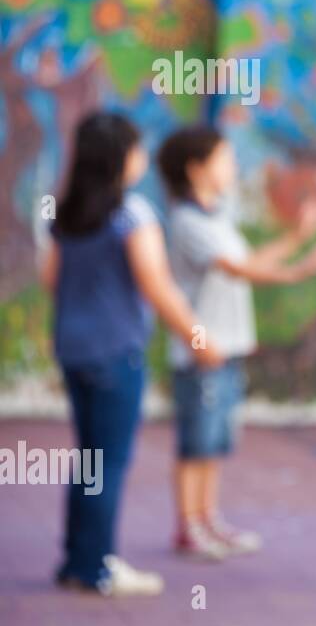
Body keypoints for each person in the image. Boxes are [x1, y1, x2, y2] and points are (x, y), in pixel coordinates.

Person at [42, 111, 222, 596]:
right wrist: (201, 341)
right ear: (121, 159)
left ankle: (77, 560)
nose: (142, 158)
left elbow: (50, 280)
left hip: (73, 349)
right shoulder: (132, 215)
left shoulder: (67, 213)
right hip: (116, 351)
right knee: (109, 461)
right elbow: (159, 287)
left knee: (90, 458)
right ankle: (98, 566)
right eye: (137, 149)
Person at [156, 125, 316, 561]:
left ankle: (207, 519)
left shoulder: (216, 216)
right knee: (195, 443)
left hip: (225, 349)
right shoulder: (187, 220)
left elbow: (247, 261)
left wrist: (295, 241)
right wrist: (296, 269)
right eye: (224, 159)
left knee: (213, 442)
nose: (234, 167)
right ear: (197, 169)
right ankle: (188, 526)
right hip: (201, 351)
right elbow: (239, 270)